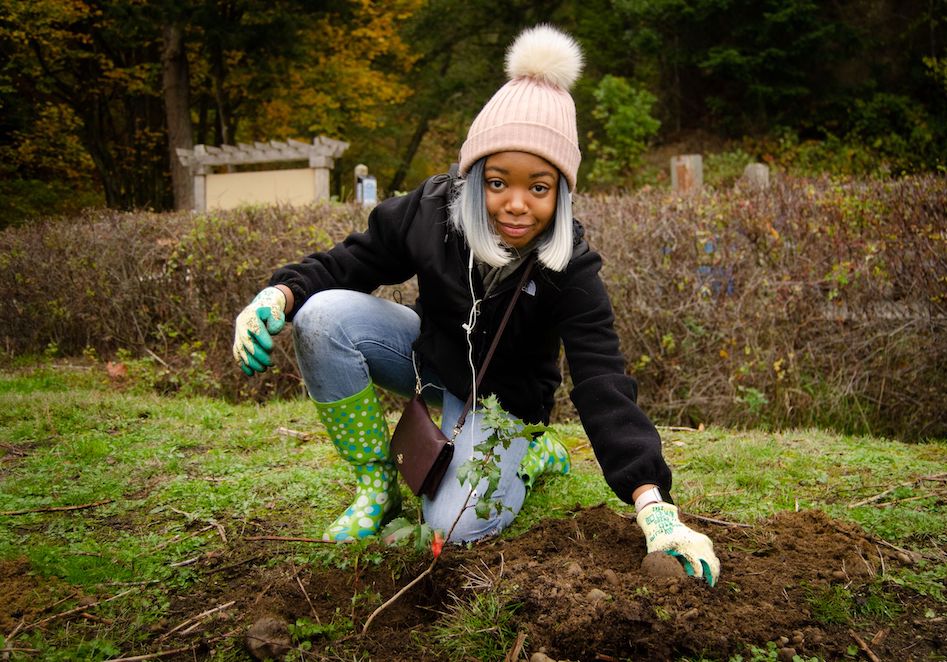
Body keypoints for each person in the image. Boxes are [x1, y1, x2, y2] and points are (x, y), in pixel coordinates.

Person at [232, 24, 720, 585]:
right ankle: (376, 486)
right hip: (430, 361)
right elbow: (350, 263)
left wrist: (652, 502)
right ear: (472, 177)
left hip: (503, 402)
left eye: (538, 187)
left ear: (560, 193)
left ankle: (534, 454)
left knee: (453, 527)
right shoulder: (431, 212)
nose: (515, 205)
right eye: (497, 183)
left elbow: (602, 379)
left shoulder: (571, 267)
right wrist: (283, 293)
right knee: (322, 318)